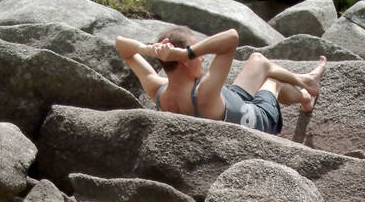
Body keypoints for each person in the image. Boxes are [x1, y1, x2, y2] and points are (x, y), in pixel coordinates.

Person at [114, 24, 326, 134]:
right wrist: (183, 53)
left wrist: (149, 49)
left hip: (233, 101)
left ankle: (305, 80)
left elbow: (122, 46)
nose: (202, 56)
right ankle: (306, 97)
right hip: (259, 118)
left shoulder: (158, 90)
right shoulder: (204, 94)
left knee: (258, 60)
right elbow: (232, 37)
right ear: (185, 60)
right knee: (273, 81)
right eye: (196, 53)